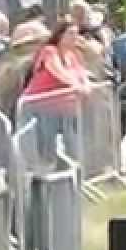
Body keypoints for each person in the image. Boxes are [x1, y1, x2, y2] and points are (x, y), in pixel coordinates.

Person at [20, 19, 92, 167]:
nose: (74, 38)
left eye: (76, 34)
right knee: (46, 149)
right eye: (70, 34)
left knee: (73, 146)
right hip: (39, 108)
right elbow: (57, 71)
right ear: (60, 35)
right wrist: (77, 87)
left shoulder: (72, 55)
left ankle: (75, 177)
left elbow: (81, 73)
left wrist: (86, 86)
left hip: (62, 109)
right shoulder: (49, 51)